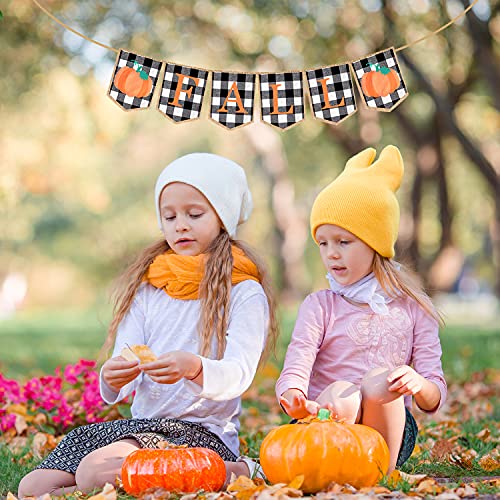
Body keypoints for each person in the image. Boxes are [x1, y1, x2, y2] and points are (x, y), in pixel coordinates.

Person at [19, 153, 278, 496]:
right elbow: (124, 370)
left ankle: (234, 470)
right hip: (140, 428)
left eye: (194, 214)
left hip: (199, 432)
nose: (180, 224)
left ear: (223, 216)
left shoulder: (243, 291)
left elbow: (239, 374)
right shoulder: (150, 287)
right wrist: (112, 378)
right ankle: (101, 486)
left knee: (93, 473)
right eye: (169, 216)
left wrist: (195, 368)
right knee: (32, 486)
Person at [276, 145, 447, 473]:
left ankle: (379, 472)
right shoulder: (320, 306)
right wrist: (294, 395)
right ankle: (338, 465)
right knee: (343, 393)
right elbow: (296, 365)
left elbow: (433, 396)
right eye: (323, 243)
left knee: (379, 382)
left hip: (390, 433)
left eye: (343, 241)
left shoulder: (414, 308)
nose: (331, 254)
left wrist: (417, 384)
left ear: (376, 242)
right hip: (327, 425)